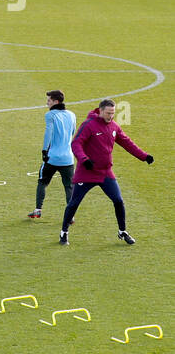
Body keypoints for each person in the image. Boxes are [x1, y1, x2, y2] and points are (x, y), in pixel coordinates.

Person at [60, 99, 152, 246]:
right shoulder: (88, 125)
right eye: (108, 113)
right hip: (87, 172)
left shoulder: (114, 126)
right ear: (101, 110)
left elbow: (127, 143)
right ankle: (64, 232)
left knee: (118, 200)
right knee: (74, 203)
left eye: (113, 113)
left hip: (105, 173)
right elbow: (76, 143)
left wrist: (144, 156)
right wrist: (84, 159)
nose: (111, 116)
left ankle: (122, 231)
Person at [31, 90, 75, 219]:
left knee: (42, 182)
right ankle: (70, 215)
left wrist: (44, 151)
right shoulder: (72, 115)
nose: (47, 103)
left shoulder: (50, 115)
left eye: (49, 100)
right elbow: (72, 132)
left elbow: (48, 133)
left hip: (52, 158)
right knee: (69, 186)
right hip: (68, 158)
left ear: (56, 102)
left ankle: (38, 209)